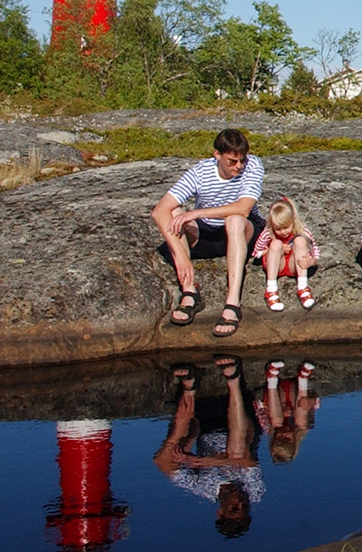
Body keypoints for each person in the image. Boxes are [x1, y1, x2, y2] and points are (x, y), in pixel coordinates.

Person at [151, 128, 265, 338]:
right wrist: (182, 258)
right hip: (207, 232)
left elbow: (243, 208)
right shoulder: (201, 172)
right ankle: (189, 293)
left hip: (242, 230)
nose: (239, 166)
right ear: (217, 155)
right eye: (232, 161)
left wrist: (195, 213)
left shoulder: (253, 165)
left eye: (242, 160)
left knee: (234, 219)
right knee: (175, 212)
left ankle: (232, 304)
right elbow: (159, 212)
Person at [153, 356, 264, 538]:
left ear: (220, 511)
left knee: (173, 455)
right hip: (241, 425)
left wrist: (178, 445)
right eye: (244, 507)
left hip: (204, 427)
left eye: (234, 508)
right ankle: (233, 379)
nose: (241, 501)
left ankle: (189, 389)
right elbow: (245, 460)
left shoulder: (202, 489)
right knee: (237, 452)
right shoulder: (254, 493)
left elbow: (161, 463)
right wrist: (204, 462)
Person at [253, 197, 321, 312]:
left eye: (286, 227)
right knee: (276, 244)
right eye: (278, 229)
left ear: (293, 221)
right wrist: (273, 249)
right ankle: (271, 289)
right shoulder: (268, 233)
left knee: (300, 241)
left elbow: (316, 251)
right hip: (277, 265)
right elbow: (256, 253)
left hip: (294, 264)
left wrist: (311, 261)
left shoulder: (302, 230)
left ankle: (303, 286)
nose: (283, 232)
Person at [256, 359, 318, 463]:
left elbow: (258, 406)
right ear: (294, 441)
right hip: (296, 389)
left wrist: (279, 410)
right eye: (287, 438)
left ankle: (271, 376)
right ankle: (303, 378)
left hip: (275, 391)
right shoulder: (303, 426)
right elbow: (316, 403)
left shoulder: (268, 426)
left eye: (279, 438)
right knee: (302, 422)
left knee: (276, 420)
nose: (284, 434)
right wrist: (309, 402)